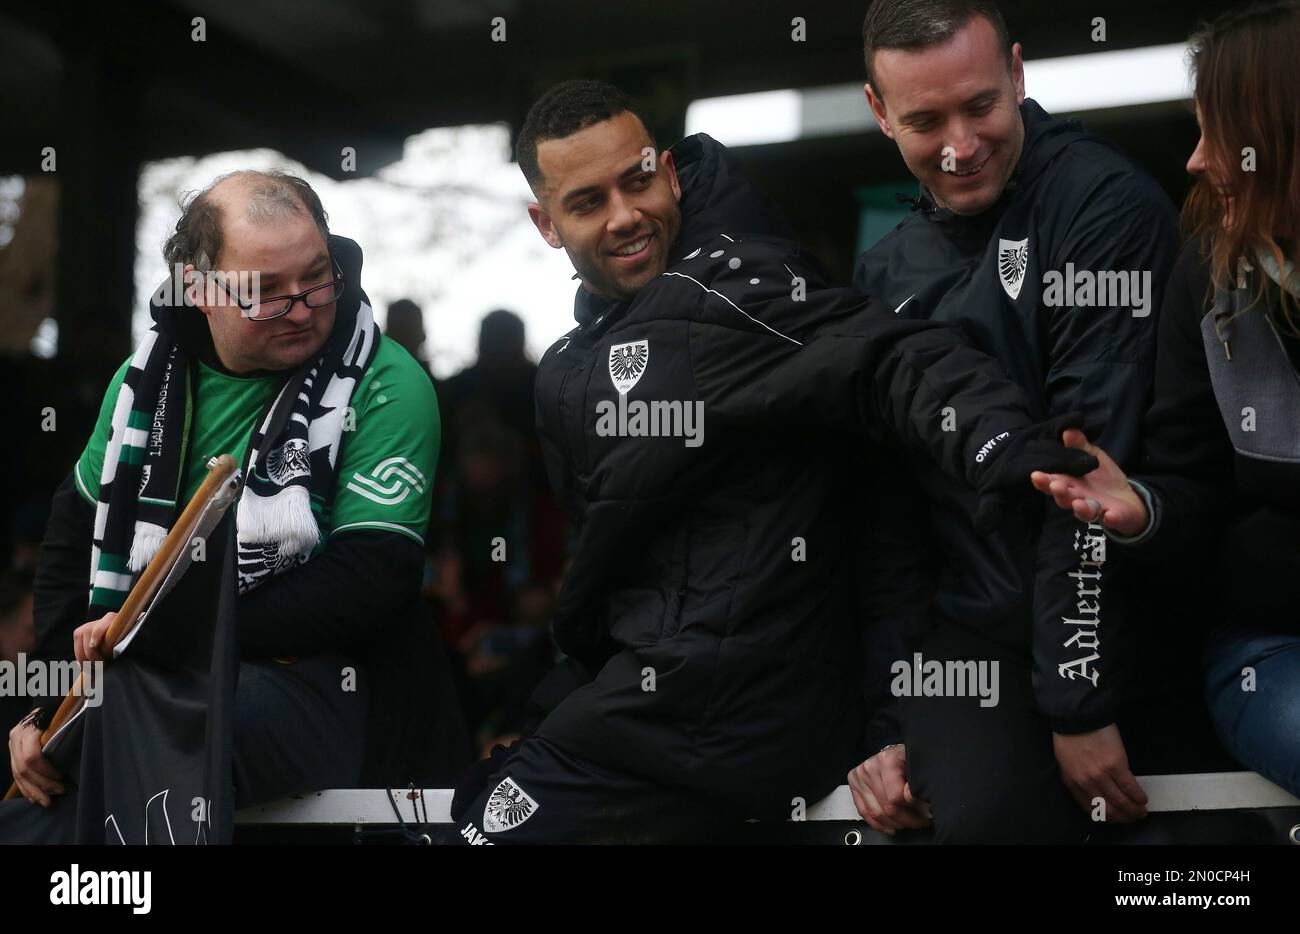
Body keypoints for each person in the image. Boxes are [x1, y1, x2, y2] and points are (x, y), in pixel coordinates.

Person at [449, 78, 1098, 844]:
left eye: (638, 180)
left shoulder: (742, 288)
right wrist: (551, 701)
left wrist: (1010, 449)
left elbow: (894, 357)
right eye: (588, 202)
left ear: (670, 170)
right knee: (476, 808)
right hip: (652, 704)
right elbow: (602, 571)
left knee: (480, 831)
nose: (626, 216)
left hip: (753, 709)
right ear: (546, 224)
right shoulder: (563, 370)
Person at [6, 170, 465, 820]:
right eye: (266, 292)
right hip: (148, 679)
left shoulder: (387, 381)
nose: (303, 307)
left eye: (316, 276)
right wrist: (47, 711)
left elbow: (371, 583)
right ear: (199, 288)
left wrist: (153, 636)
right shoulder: (140, 384)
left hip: (321, 684)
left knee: (133, 727)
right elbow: (68, 550)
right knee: (47, 755)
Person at [848, 0, 1184, 842]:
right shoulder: (886, 267)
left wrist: (1077, 697)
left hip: (1122, 618)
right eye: (925, 120)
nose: (959, 144)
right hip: (970, 635)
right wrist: (889, 719)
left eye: (980, 106)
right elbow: (889, 512)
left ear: (1019, 75)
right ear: (879, 113)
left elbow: (1088, 474)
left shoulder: (1104, 206)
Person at [1032, 0, 1300, 798]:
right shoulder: (1208, 284)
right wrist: (1146, 508)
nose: (1195, 160)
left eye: (1218, 131)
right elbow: (1198, 488)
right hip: (1271, 650)